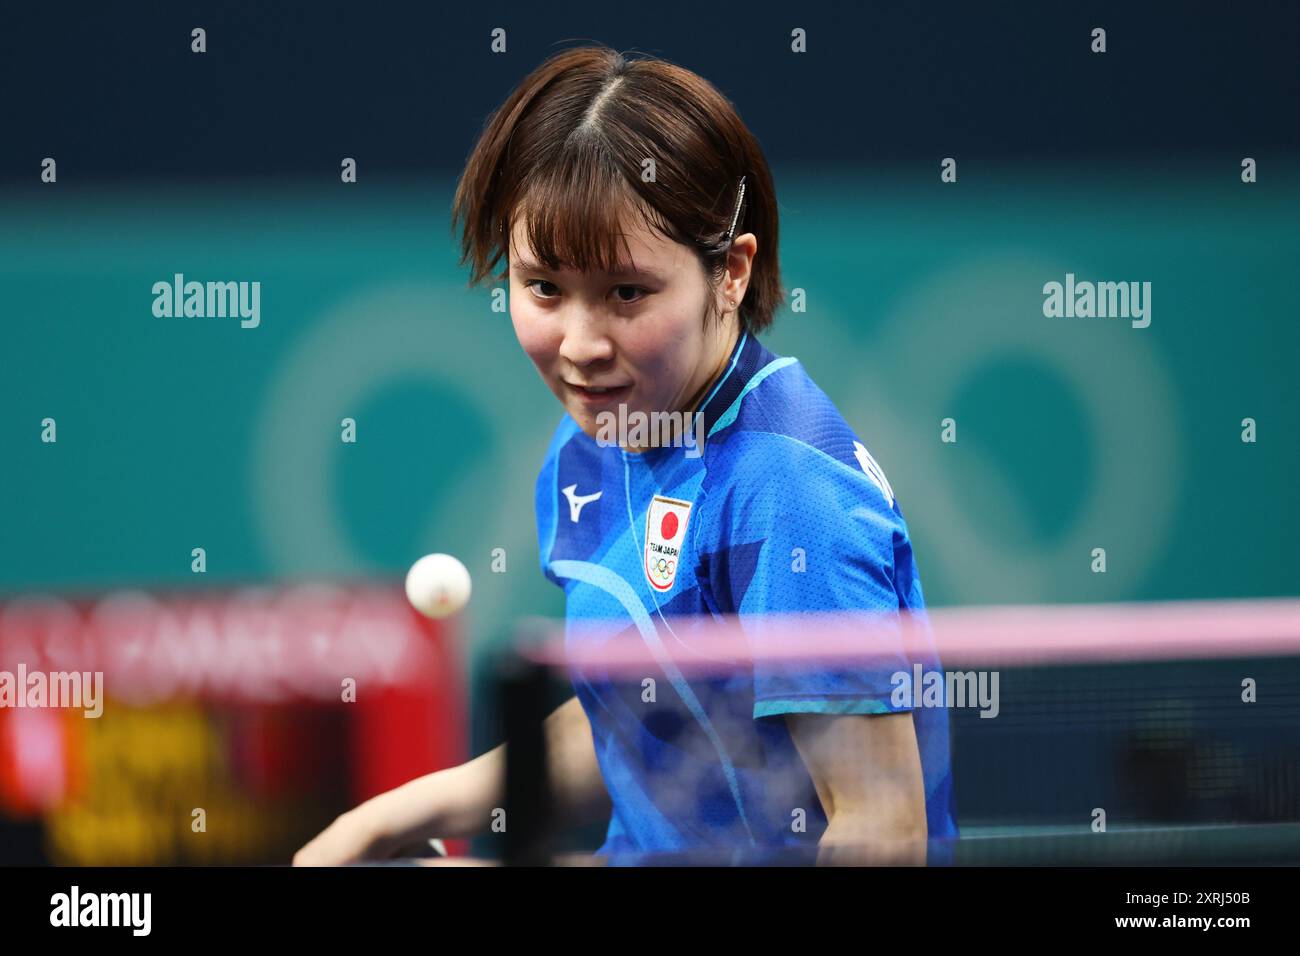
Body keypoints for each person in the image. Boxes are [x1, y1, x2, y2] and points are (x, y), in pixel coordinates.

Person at [294, 43, 956, 867]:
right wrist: (386, 819)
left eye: (627, 293)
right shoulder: (595, 444)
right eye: (542, 287)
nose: (579, 345)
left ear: (731, 273)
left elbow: (880, 828)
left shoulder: (785, 489)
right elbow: (640, 723)